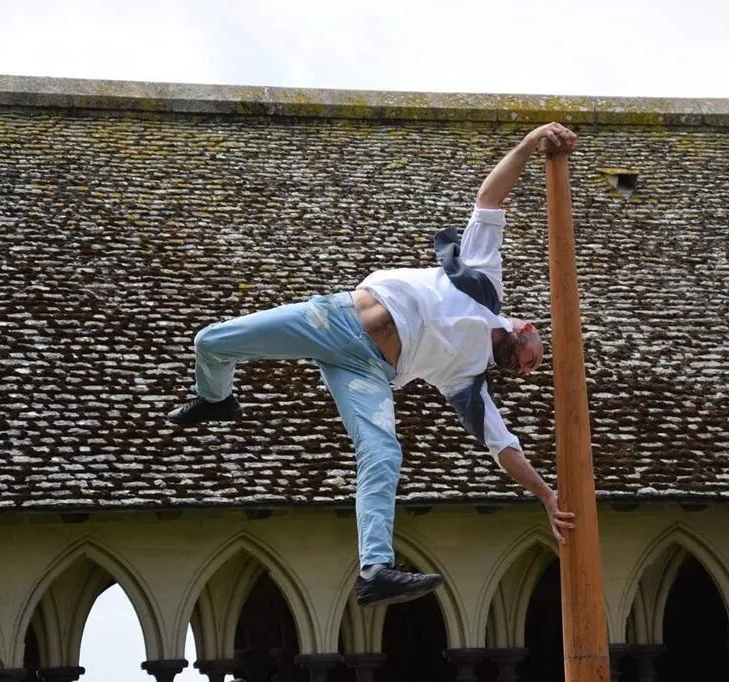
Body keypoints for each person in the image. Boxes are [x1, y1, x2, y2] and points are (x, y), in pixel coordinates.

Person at [168, 122, 578, 607]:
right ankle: (216, 398)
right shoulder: (484, 284)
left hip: (367, 373)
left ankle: (375, 569)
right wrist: (530, 146)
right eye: (535, 356)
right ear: (525, 327)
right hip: (335, 321)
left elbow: (502, 445)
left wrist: (545, 494)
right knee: (211, 341)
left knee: (382, 454)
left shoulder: (468, 378)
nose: (527, 367)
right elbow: (490, 199)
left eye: (528, 371)